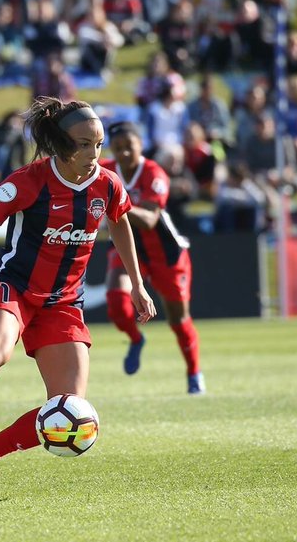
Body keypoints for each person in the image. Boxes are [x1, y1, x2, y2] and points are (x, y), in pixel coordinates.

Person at [0, 97, 155, 499]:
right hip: (14, 287)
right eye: (84, 144)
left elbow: (120, 223)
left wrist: (137, 284)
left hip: (63, 302)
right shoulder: (27, 181)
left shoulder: (107, 184)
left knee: (70, 409)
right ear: (60, 144)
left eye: (98, 144)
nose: (94, 154)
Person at [101, 121, 203, 391]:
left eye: (129, 146)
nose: (123, 152)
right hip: (127, 247)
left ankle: (194, 373)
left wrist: (115, 201)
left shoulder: (153, 173)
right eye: (118, 147)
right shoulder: (105, 170)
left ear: (141, 144)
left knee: (178, 320)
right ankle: (136, 339)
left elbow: (148, 220)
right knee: (116, 301)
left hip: (165, 252)